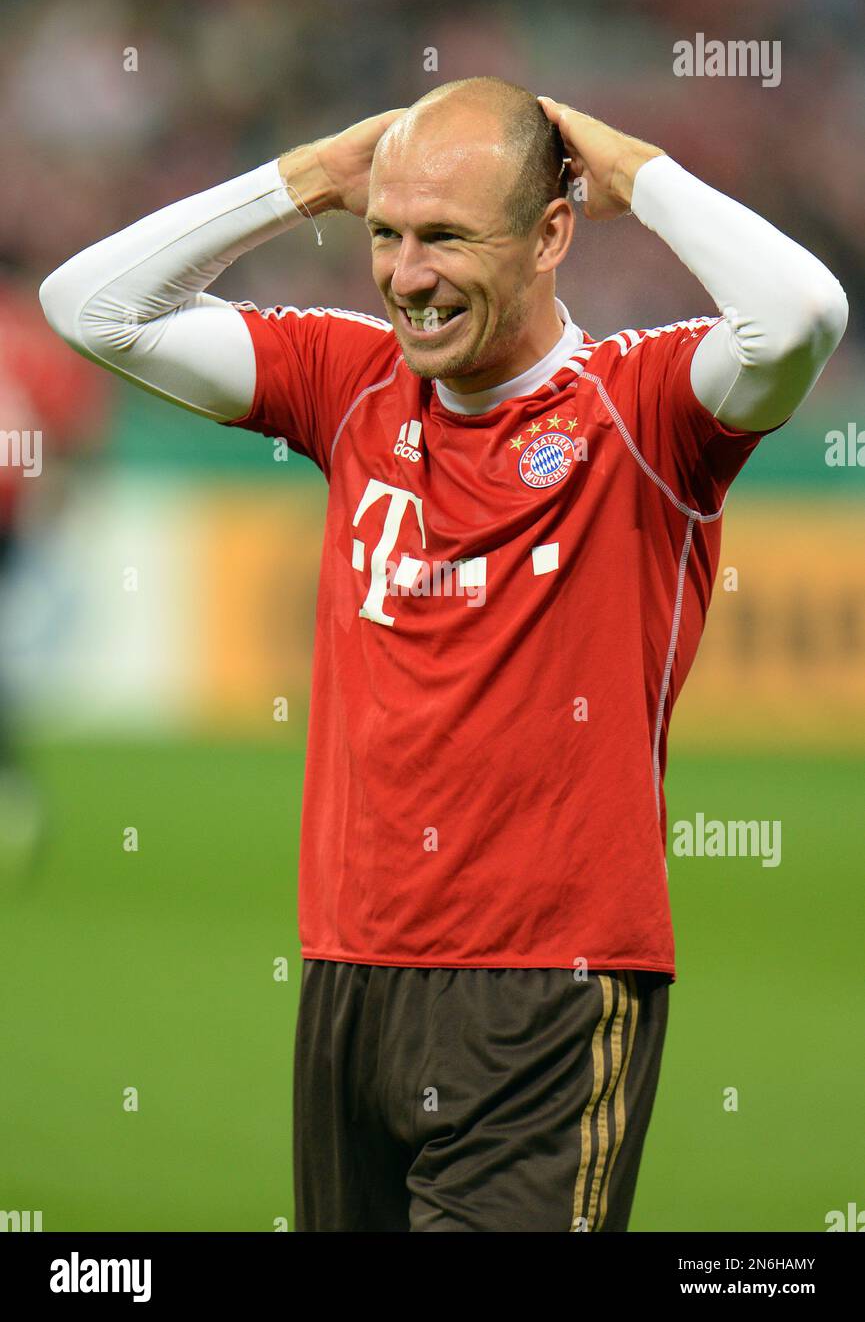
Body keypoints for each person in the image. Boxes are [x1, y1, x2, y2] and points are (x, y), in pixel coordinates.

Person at [38, 76, 848, 1232]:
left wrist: (638, 173)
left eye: (448, 237)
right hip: (349, 972)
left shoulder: (646, 405)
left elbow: (802, 313)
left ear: (551, 233)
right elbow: (92, 307)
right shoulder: (350, 382)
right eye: (385, 234)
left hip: (551, 992)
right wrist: (306, 176)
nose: (407, 277)